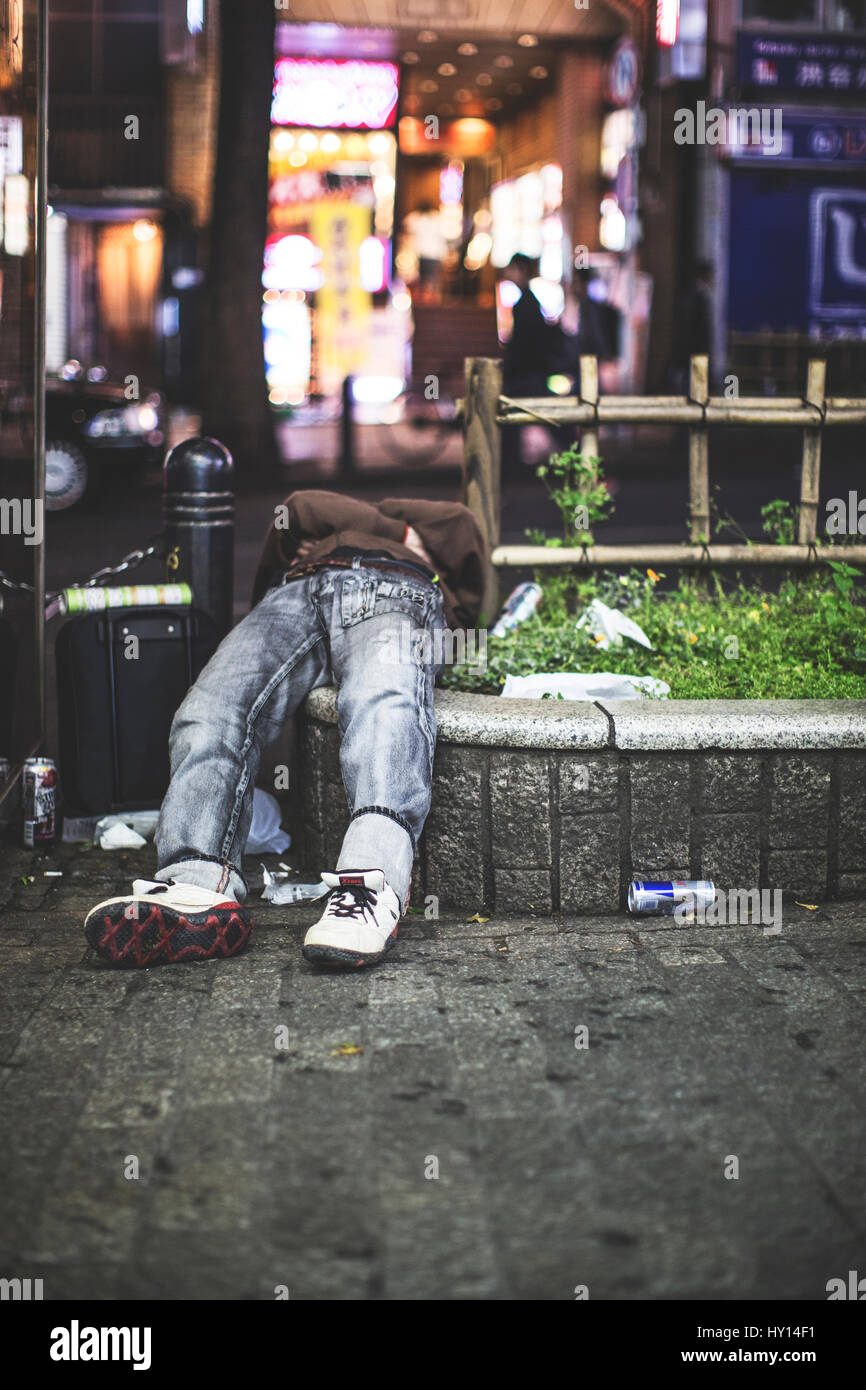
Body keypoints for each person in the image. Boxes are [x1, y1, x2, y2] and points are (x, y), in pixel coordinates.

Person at [84, 491, 486, 971]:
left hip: (397, 590)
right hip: (293, 592)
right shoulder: (366, 540)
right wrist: (399, 533)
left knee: (384, 708)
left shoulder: (442, 542)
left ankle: (367, 888)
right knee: (210, 710)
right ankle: (195, 885)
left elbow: (456, 525)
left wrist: (364, 534)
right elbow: (300, 504)